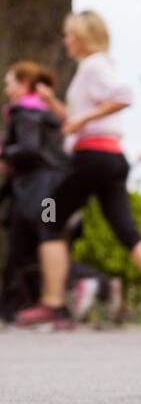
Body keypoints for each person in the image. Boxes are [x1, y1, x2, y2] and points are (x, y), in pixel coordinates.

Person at [14, 11, 141, 332]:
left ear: (82, 36)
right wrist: (55, 104)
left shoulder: (94, 65)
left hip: (92, 155)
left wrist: (80, 122)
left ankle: (54, 305)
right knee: (128, 232)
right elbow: (80, 117)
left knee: (48, 218)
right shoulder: (95, 68)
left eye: (69, 34)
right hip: (111, 157)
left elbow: (123, 97)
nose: (65, 40)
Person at [1, 62, 67, 321]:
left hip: (36, 188)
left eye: (10, 83)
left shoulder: (26, 113)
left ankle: (14, 308)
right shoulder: (46, 115)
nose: (7, 89)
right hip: (50, 187)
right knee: (47, 237)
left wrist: (4, 152)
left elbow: (29, 148)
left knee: (32, 241)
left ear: (24, 83)